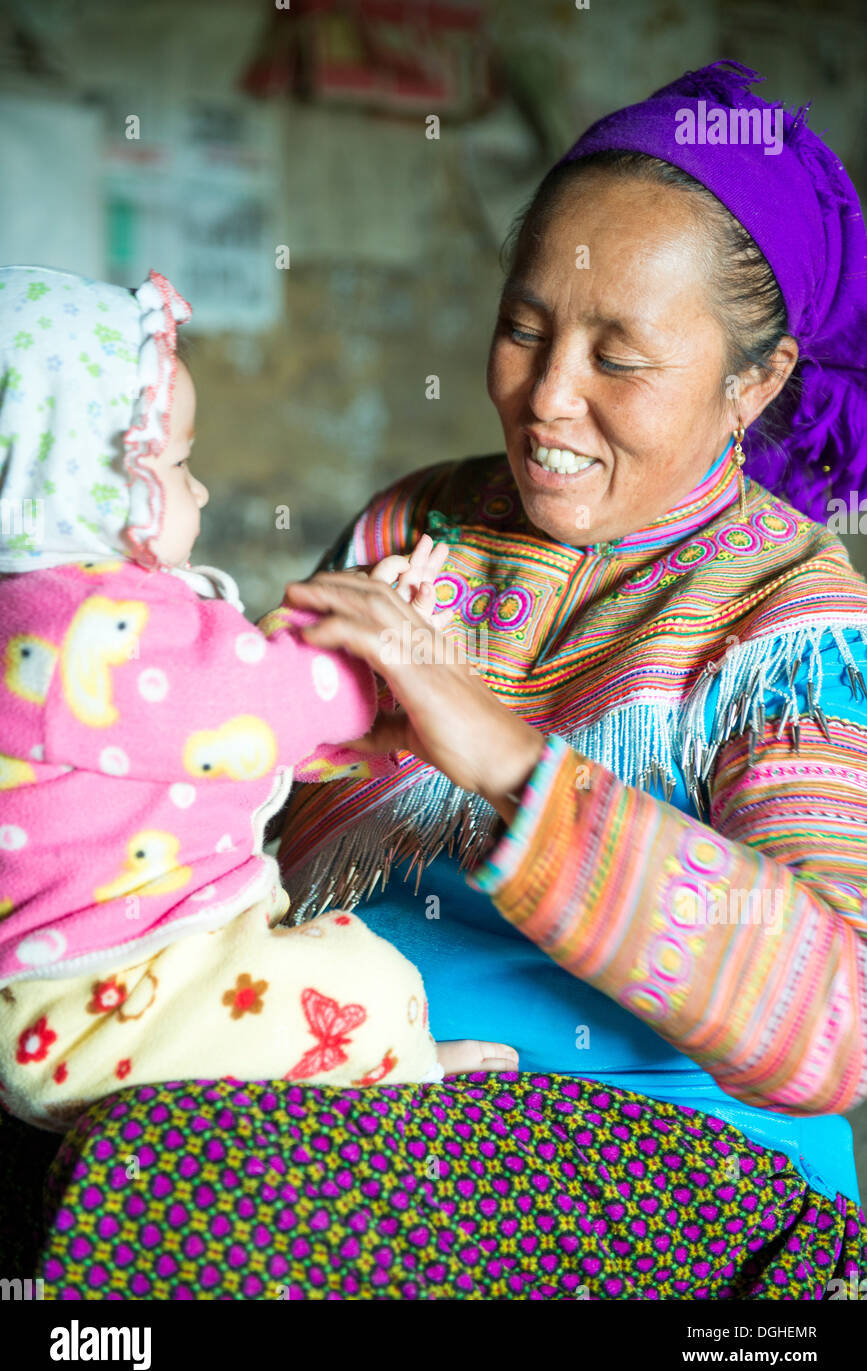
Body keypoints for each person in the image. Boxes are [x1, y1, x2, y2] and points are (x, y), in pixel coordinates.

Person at [23, 60, 867, 1301]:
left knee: (156, 1177)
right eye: (525, 327)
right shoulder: (421, 523)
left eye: (617, 357)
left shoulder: (793, 617)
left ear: (758, 380)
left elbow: (838, 1020)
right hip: (346, 1068)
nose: (547, 396)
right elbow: (223, 796)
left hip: (664, 1156)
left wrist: (501, 752)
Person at [0, 265, 516, 1132]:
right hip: (101, 998)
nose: (199, 490)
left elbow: (220, 725)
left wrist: (372, 697)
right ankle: (405, 1073)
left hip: (130, 973)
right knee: (371, 987)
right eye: (177, 461)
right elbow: (251, 698)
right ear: (79, 474)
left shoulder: (58, 613)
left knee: (323, 965)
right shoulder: (73, 626)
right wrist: (381, 649)